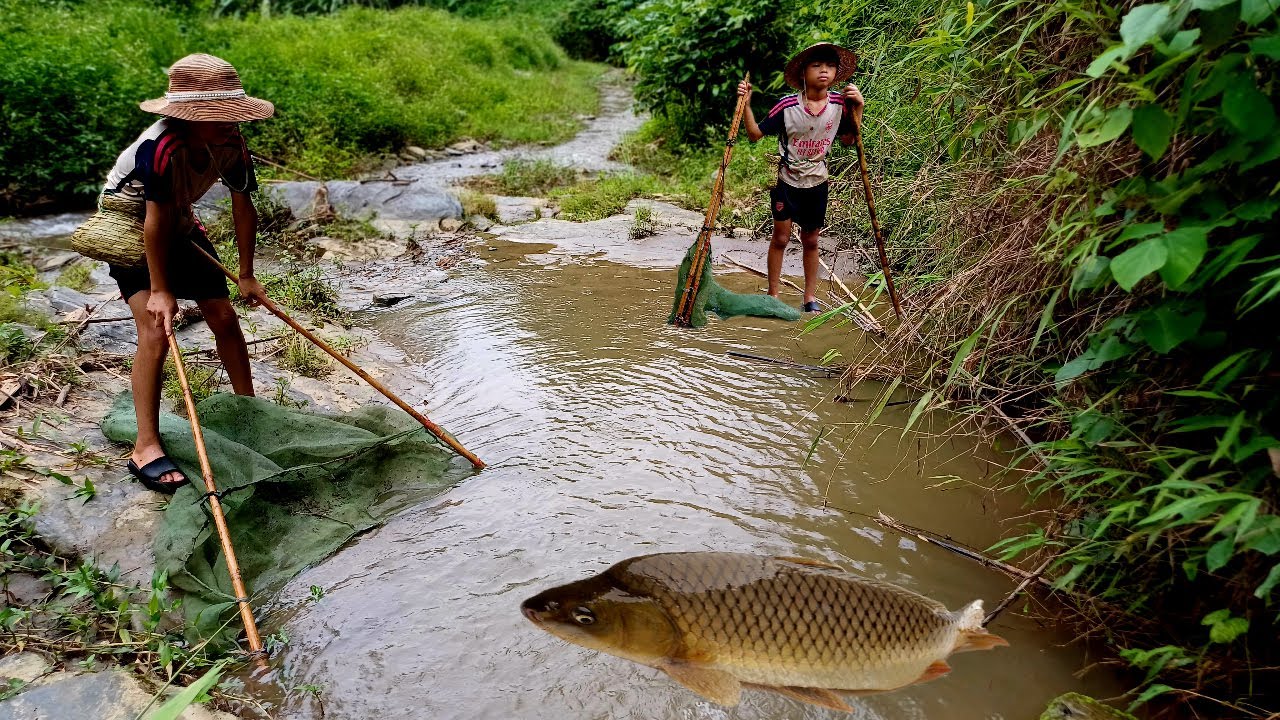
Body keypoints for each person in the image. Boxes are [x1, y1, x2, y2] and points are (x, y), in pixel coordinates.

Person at [100, 53, 273, 493]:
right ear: (188, 117)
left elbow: (242, 206)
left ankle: (248, 411)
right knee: (156, 329)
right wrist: (160, 290)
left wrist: (246, 274)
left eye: (233, 114)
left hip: (178, 222)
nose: (230, 123)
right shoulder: (162, 148)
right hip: (132, 227)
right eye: (217, 116)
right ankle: (145, 447)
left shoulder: (231, 144)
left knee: (223, 315)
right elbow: (152, 223)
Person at [738, 43, 864, 312]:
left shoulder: (841, 105)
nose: (824, 71)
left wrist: (859, 109)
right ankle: (773, 294)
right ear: (804, 73)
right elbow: (754, 134)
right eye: (817, 66)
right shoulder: (787, 107)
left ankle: (809, 297)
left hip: (817, 182)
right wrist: (745, 105)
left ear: (836, 73)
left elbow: (849, 140)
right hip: (787, 181)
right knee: (781, 238)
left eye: (829, 66)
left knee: (811, 240)